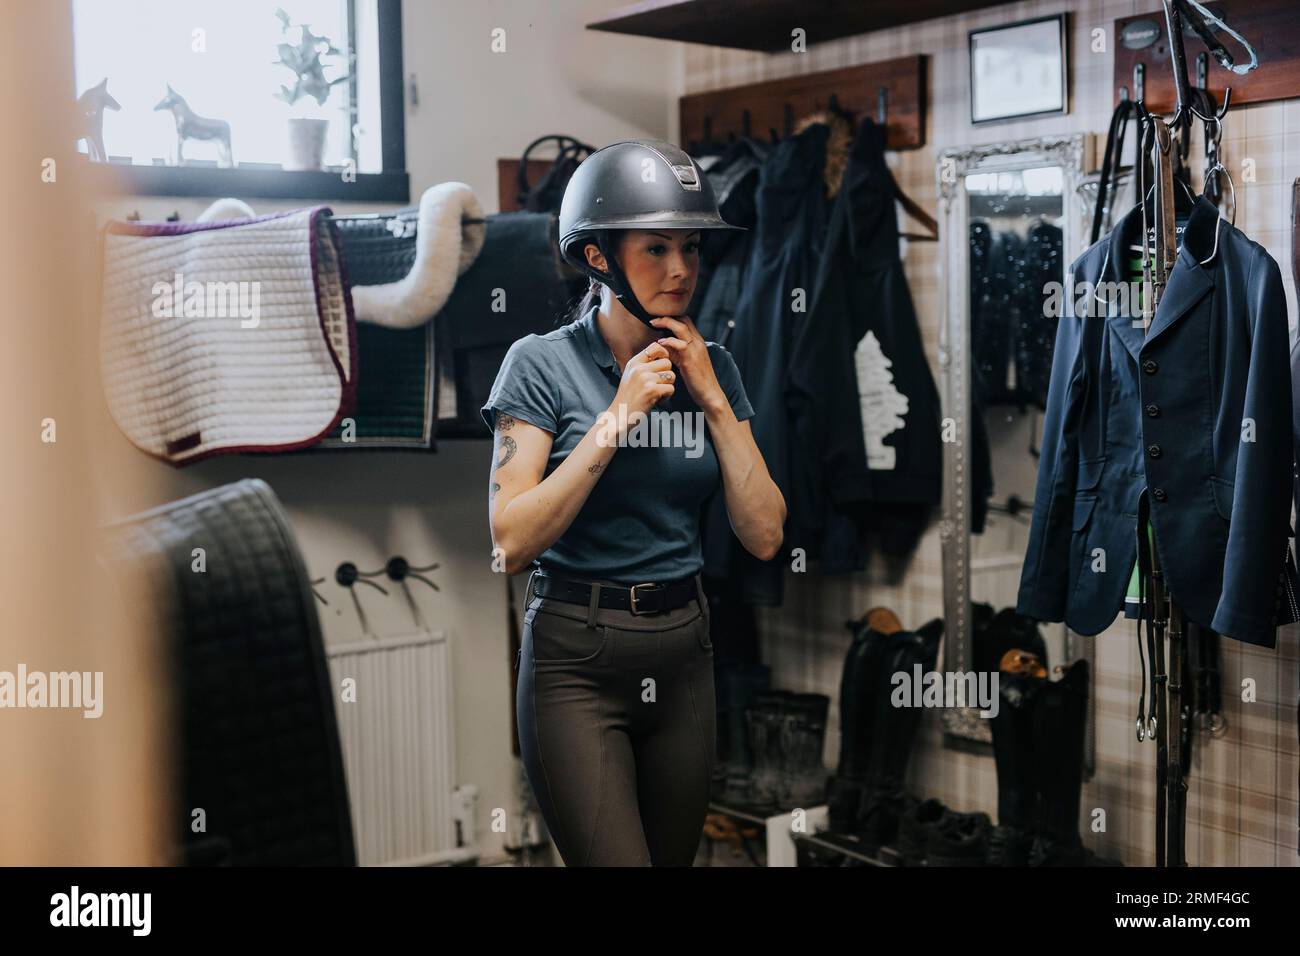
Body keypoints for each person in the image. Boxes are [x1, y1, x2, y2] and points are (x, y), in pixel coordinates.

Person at [481, 139, 785, 866]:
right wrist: (617, 418)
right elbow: (509, 542)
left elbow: (767, 534)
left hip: (685, 649)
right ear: (597, 258)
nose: (682, 270)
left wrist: (712, 397)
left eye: (691, 248)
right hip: (575, 660)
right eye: (656, 249)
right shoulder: (540, 364)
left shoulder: (717, 369)